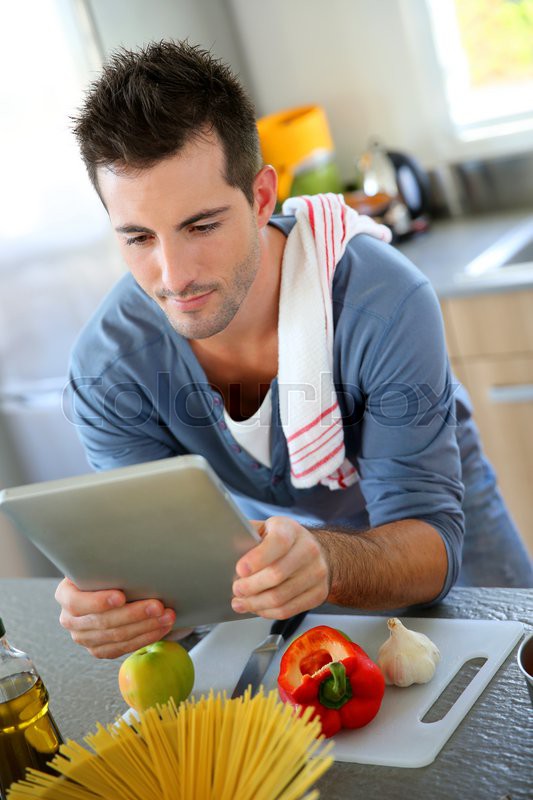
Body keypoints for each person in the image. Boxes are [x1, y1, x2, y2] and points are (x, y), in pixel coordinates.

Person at [55, 40, 532, 659]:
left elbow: (432, 542)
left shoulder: (382, 302)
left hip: (442, 550)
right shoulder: (107, 369)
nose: (173, 276)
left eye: (201, 226)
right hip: (285, 580)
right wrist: (122, 608)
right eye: (139, 237)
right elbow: (163, 565)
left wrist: (326, 559)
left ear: (260, 198)